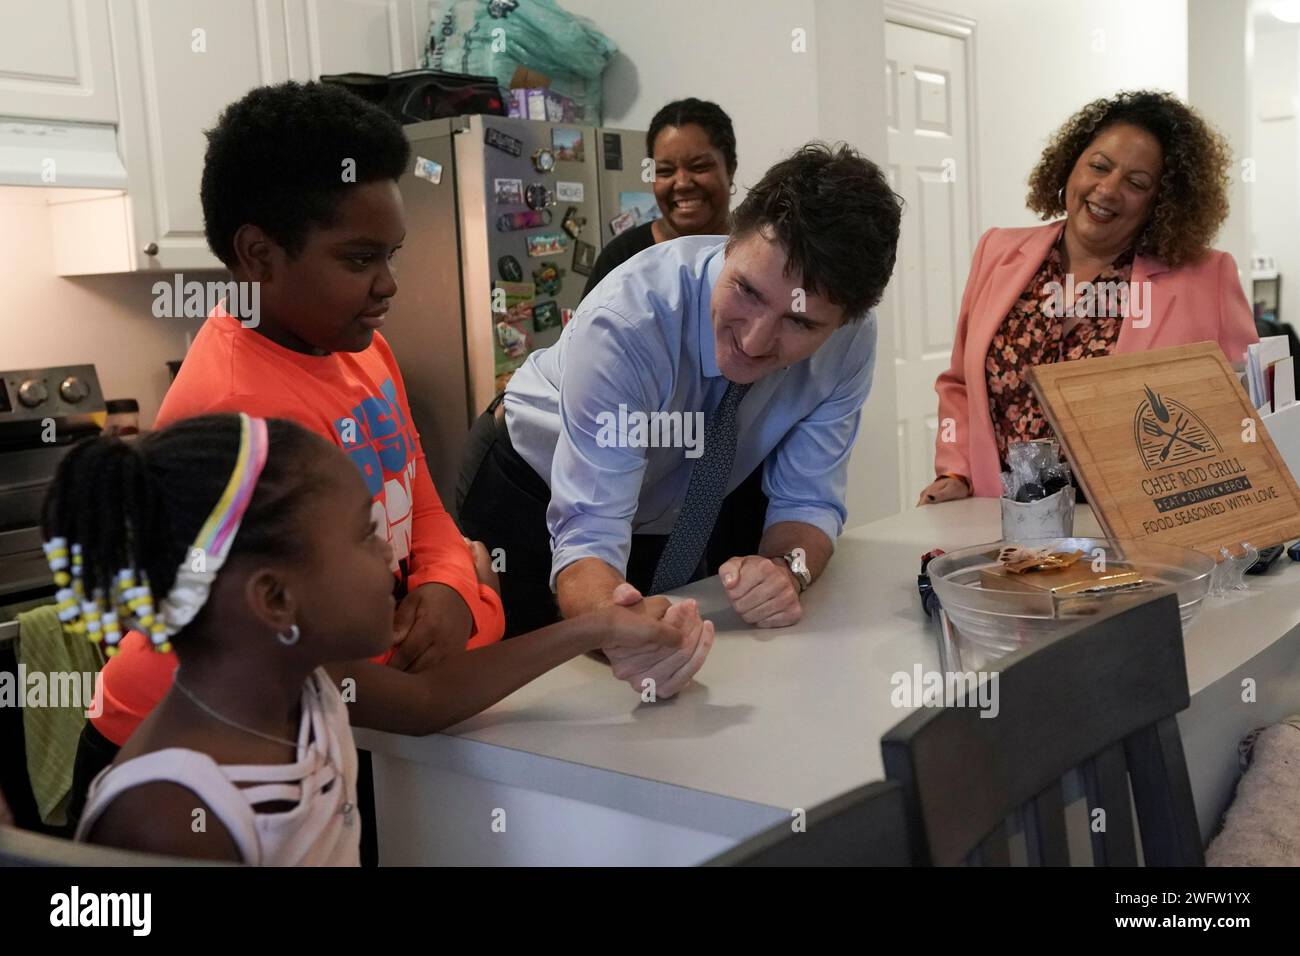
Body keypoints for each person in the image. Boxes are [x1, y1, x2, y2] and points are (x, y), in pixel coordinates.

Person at [49, 414, 696, 863]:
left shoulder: (306, 683)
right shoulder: (171, 813)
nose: (390, 550)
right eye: (364, 534)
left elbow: (427, 700)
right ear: (275, 600)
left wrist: (599, 625)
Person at [459, 143, 903, 679]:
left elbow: (808, 498)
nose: (755, 341)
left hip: (676, 495)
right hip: (533, 482)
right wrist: (612, 628)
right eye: (747, 290)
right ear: (730, 241)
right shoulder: (629, 320)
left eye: (801, 323)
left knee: (676, 669)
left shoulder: (851, 341)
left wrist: (788, 570)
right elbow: (591, 528)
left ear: (845, 319)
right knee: (534, 704)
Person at [920, 90, 1258, 503]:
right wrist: (956, 472)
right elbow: (959, 384)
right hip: (1000, 522)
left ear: (1161, 202)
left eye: (1136, 183)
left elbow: (1247, 411)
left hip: (1135, 528)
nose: (1108, 189)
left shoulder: (1207, 277)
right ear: (1069, 166)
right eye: (1098, 166)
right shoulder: (998, 251)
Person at [582, 98, 737, 298]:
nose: (681, 183)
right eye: (665, 171)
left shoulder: (756, 251)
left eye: (699, 167)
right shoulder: (622, 257)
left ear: (731, 168)